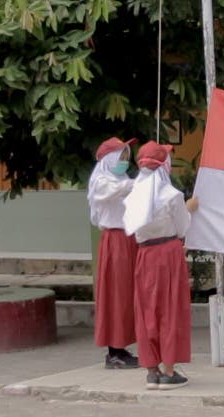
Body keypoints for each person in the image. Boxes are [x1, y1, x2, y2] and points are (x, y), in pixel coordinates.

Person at [123, 141, 198, 390]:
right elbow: (182, 228)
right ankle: (169, 370)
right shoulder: (172, 195)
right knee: (170, 308)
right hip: (168, 253)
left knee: (147, 310)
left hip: (144, 255)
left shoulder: (133, 195)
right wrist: (189, 208)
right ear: (163, 166)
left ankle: (151, 371)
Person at [87, 136, 140, 369]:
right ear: (109, 159)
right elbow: (115, 191)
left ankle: (122, 347)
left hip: (130, 239)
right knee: (115, 295)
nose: (125, 162)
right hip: (115, 240)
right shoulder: (102, 181)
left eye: (127, 157)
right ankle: (113, 351)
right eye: (122, 156)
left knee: (128, 295)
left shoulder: (123, 178)